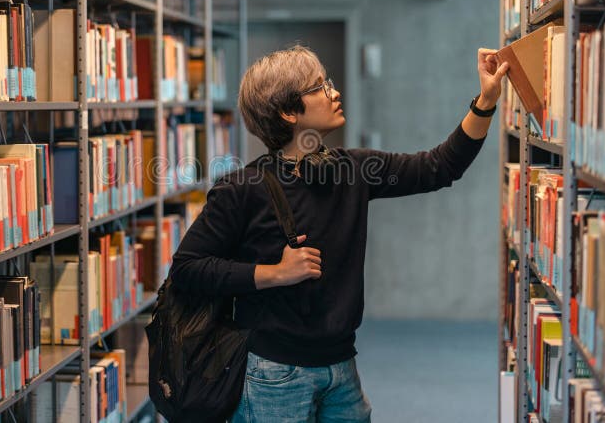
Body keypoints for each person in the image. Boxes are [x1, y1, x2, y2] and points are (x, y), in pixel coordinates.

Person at [168, 44, 509, 422]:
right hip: (272, 373)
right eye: (319, 86)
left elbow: (439, 167)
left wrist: (486, 100)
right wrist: (273, 273)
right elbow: (187, 267)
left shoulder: (353, 170)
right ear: (287, 111)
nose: (334, 92)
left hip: (341, 366)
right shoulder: (241, 189)